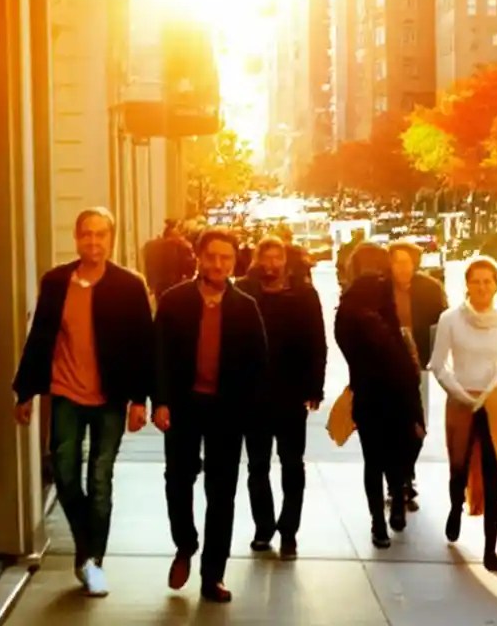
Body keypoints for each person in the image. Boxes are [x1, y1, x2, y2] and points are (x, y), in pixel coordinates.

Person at [11, 207, 154, 597]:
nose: (93, 241)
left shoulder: (129, 285)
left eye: (101, 234)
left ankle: (93, 563)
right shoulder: (56, 282)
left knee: (100, 480)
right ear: (76, 238)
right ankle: (87, 544)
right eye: (86, 234)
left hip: (110, 397)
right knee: (65, 475)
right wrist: (25, 392)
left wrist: (140, 400)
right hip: (66, 395)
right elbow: (40, 337)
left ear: (111, 239)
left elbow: (143, 346)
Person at [154, 228, 269, 603]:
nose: (218, 264)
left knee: (222, 493)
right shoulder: (174, 301)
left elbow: (258, 364)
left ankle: (213, 574)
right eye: (212, 256)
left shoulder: (245, 307)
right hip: (183, 406)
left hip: (227, 411)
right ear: (200, 258)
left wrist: (252, 415)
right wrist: (160, 401)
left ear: (235, 262)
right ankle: (185, 544)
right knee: (178, 480)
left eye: (226, 258)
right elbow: (159, 356)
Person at [428, 257, 497, 574]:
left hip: (496, 398)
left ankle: (490, 549)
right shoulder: (450, 319)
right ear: (467, 285)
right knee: (459, 467)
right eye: (476, 281)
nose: (482, 288)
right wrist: (458, 392)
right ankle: (456, 505)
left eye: (488, 281)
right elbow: (438, 364)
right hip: (462, 397)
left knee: (494, 472)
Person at [235, 236, 328, 561]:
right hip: (254, 394)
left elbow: (317, 341)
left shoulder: (304, 294)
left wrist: (315, 387)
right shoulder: (244, 291)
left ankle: (289, 530)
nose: (271, 264)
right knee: (257, 465)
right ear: (257, 260)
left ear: (286, 261)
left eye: (277, 258)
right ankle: (263, 528)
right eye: (267, 258)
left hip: (291, 392)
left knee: (292, 464)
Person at [334, 243, 425, 548]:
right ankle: (389, 508)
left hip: (370, 391)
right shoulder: (367, 305)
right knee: (391, 455)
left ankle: (383, 516)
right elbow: (391, 346)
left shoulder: (352, 306)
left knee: (376, 459)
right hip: (386, 390)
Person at [388, 240, 449, 511]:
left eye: (406, 262)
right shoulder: (382, 289)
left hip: (418, 365)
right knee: (392, 425)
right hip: (388, 365)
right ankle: (397, 481)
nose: (401, 268)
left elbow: (444, 323)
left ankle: (406, 474)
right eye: (396, 262)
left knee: (417, 426)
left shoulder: (430, 289)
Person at [143, 219, 197, 300]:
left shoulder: (152, 246)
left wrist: (151, 283)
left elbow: (149, 265)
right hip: (177, 284)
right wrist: (188, 280)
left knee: (161, 303)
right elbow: (191, 266)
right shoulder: (183, 245)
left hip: (159, 285)